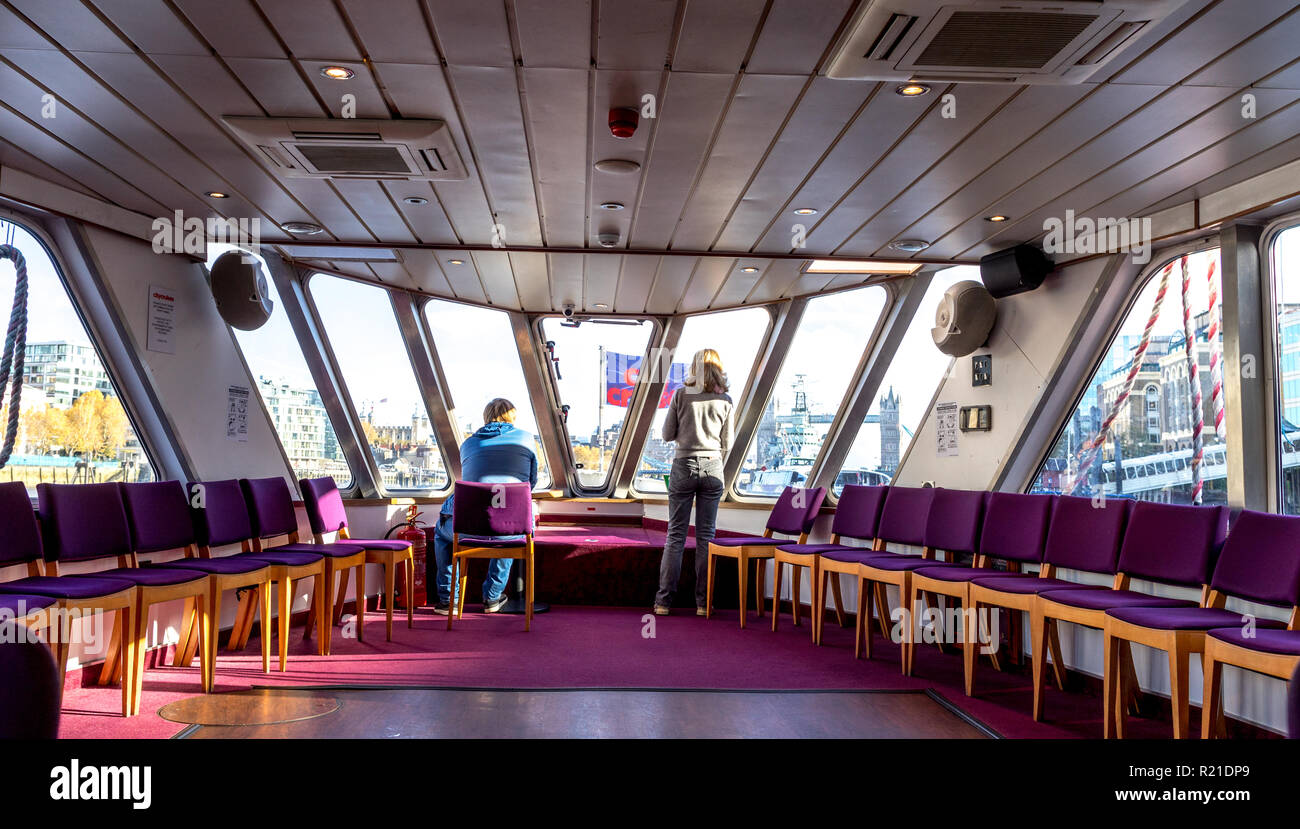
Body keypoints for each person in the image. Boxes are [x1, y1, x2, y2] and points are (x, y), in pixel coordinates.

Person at [431, 398, 538, 615]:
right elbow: (530, 483)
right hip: (511, 530)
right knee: (509, 525)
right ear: (513, 417)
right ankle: (492, 597)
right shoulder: (526, 439)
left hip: (467, 529)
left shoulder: (468, 444)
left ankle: (449, 600)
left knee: (442, 532)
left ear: (486, 417)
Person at [654, 349, 733, 616]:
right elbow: (728, 443)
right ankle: (703, 603)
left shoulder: (680, 394)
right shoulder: (726, 400)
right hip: (713, 467)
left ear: (694, 368)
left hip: (684, 465)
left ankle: (664, 602)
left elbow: (667, 435)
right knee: (706, 537)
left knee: (675, 536)